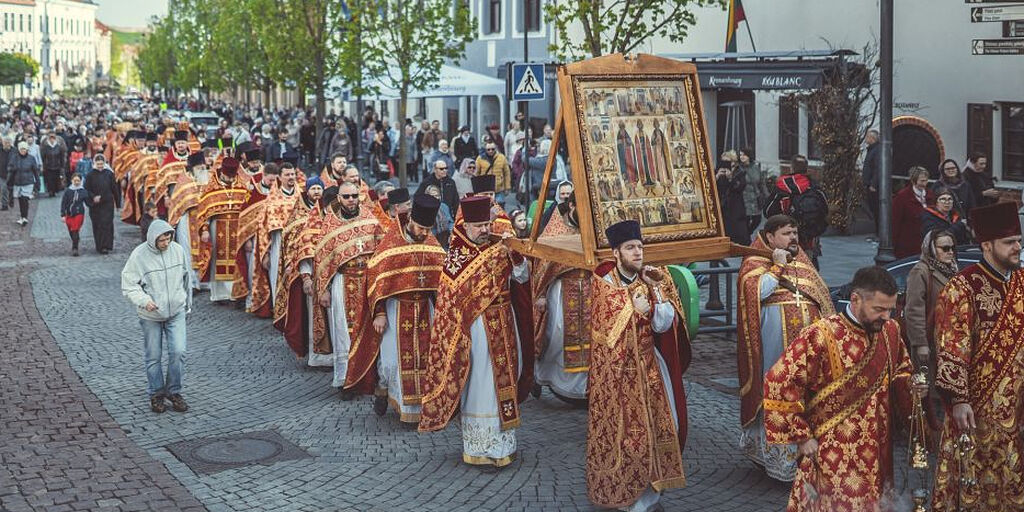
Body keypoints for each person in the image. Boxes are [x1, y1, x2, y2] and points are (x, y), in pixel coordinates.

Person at [762, 266, 924, 512]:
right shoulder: (820, 335)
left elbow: (901, 369)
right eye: (879, 309)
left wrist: (912, 387)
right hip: (830, 451)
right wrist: (802, 436)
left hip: (879, 450)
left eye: (891, 309)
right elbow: (779, 381)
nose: (887, 316)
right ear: (856, 299)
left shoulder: (890, 331)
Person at [418, 195, 534, 468]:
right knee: (480, 385)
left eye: (487, 224)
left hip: (505, 322)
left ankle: (504, 445)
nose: (485, 230)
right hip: (477, 331)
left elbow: (522, 279)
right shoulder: (457, 259)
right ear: (465, 226)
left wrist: (517, 259)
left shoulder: (501, 248)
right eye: (479, 225)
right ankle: (478, 446)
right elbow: (451, 305)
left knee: (504, 381)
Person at [586, 220, 690, 512]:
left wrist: (656, 291)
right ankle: (626, 497)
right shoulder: (604, 283)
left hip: (650, 365)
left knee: (659, 430)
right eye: (630, 248)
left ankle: (650, 498)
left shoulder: (654, 278)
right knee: (629, 437)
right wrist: (632, 310)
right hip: (617, 374)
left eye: (640, 247)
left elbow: (664, 323)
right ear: (616, 252)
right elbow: (603, 331)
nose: (638, 252)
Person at [931, 201, 1023, 512]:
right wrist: (959, 399)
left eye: (1019, 242)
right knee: (977, 482)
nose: (1017, 248)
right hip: (977, 409)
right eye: (1009, 243)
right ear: (987, 245)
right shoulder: (963, 287)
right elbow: (950, 347)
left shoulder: (1022, 283)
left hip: (1019, 407)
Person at [736, 214, 834, 482]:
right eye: (787, 233)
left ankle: (809, 457)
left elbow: (820, 295)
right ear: (770, 237)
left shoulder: (802, 260)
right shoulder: (754, 261)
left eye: (795, 232)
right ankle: (778, 459)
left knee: (807, 396)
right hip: (772, 345)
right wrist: (777, 267)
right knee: (777, 394)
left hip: (807, 347)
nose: (794, 238)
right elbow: (758, 292)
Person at [367, 194, 447, 422]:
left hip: (424, 310)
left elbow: (443, 278)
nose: (424, 233)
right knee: (392, 362)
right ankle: (382, 388)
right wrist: (380, 312)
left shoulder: (430, 243)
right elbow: (376, 277)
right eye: (421, 227)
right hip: (396, 309)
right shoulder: (392, 241)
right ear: (411, 219)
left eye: (428, 229)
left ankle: (417, 409)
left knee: (425, 359)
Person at [313, 181, 382, 399]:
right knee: (344, 334)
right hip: (344, 283)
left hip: (368, 283)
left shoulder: (371, 220)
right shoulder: (330, 224)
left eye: (354, 195)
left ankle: (371, 378)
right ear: (339, 199)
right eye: (347, 196)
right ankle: (346, 382)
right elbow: (322, 259)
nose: (351, 200)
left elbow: (382, 251)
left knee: (371, 332)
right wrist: (323, 289)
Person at [121, 219, 193, 414]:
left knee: (178, 352)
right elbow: (128, 284)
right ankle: (156, 394)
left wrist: (187, 304)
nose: (166, 243)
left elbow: (187, 278)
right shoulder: (139, 255)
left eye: (168, 238)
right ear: (153, 239)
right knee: (153, 356)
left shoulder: (177, 250)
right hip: (150, 315)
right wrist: (144, 301)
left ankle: (174, 391)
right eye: (162, 240)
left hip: (175, 311)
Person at [531, 192, 590, 403]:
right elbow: (542, 266)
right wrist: (540, 294)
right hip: (562, 289)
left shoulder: (591, 229)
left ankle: (581, 390)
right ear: (571, 205)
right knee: (556, 337)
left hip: (589, 289)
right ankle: (539, 375)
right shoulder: (555, 228)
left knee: (588, 339)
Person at [904, 229, 958, 434]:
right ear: (932, 249)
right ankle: (927, 434)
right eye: (945, 248)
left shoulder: (952, 269)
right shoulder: (922, 271)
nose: (950, 252)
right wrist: (920, 343)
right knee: (928, 390)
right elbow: (914, 309)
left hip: (950, 341)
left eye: (952, 248)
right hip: (930, 340)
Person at [274, 176, 325, 359]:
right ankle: (312, 351)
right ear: (307, 191)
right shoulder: (297, 214)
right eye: (314, 189)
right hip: (305, 266)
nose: (317, 192)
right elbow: (290, 242)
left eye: (319, 188)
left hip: (325, 268)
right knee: (308, 313)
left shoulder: (328, 212)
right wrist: (289, 262)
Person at [196, 157, 249, 302]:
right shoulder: (211, 187)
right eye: (227, 177)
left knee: (236, 260)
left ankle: (234, 292)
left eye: (233, 177)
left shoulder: (242, 186)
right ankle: (219, 295)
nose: (230, 179)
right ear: (222, 173)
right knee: (216, 260)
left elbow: (248, 209)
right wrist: (205, 229)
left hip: (236, 228)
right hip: (217, 226)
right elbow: (204, 210)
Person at [892, 166, 935, 259]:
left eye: (926, 180)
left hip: (926, 241)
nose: (924, 184)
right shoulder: (902, 197)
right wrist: (894, 244)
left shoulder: (930, 195)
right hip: (907, 244)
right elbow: (895, 222)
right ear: (913, 181)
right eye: (921, 181)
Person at [83, 154, 120, 254]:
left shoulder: (109, 174)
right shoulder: (90, 175)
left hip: (107, 203)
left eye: (101, 164)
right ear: (95, 163)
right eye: (98, 164)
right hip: (96, 205)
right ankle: (99, 245)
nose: (100, 166)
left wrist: (118, 203)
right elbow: (86, 189)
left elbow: (115, 189)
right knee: (97, 224)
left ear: (104, 163)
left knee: (107, 224)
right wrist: (93, 197)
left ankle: (107, 245)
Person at [716, 158, 750, 244]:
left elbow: (740, 187)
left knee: (738, 225)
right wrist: (716, 177)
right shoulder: (718, 171)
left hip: (736, 203)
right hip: (723, 203)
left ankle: (741, 243)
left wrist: (731, 178)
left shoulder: (740, 172)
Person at [8, 141, 40, 226]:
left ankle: (25, 217)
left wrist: (38, 183)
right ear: (19, 150)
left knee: (25, 199)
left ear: (27, 149)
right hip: (17, 182)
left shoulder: (31, 158)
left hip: (28, 182)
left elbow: (35, 171)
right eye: (21, 149)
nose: (23, 151)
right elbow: (10, 169)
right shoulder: (14, 158)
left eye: (24, 149)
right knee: (20, 199)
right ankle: (22, 216)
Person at [737, 147, 767, 235]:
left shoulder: (756, 167)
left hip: (755, 198)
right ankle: (745, 238)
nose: (742, 157)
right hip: (743, 198)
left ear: (749, 156)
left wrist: (766, 195)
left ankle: (747, 234)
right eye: (741, 155)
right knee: (745, 220)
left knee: (757, 219)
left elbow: (762, 183)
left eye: (744, 155)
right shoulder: (738, 168)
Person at [60, 173, 89, 257]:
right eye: (75, 180)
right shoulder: (68, 191)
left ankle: (75, 248)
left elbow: (88, 201)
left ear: (81, 181)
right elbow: (63, 203)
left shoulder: (83, 191)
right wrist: (62, 214)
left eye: (78, 181)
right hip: (69, 214)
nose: (76, 182)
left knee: (75, 229)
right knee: (71, 231)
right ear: (72, 181)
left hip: (79, 213)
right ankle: (75, 240)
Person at [861, 129, 881, 231]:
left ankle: (879, 233)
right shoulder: (872, 150)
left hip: (874, 187)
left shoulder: (876, 151)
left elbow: (877, 168)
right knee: (873, 209)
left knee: (877, 209)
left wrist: (873, 184)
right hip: (869, 184)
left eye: (868, 137)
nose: (866, 139)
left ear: (872, 138)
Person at [423, 184, 453, 249]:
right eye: (432, 196)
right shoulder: (424, 209)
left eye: (437, 195)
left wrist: (451, 232)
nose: (436, 198)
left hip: (445, 239)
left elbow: (450, 221)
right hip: (431, 241)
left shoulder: (444, 206)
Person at [41, 131, 68, 197]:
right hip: (48, 166)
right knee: (49, 180)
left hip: (57, 165)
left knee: (56, 179)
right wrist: (43, 165)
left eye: (53, 138)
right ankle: (51, 191)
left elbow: (62, 156)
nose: (52, 139)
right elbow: (43, 156)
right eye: (50, 138)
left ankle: (56, 190)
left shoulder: (59, 147)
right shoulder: (46, 147)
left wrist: (62, 165)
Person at [0, 136, 14, 211]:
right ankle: (4, 205)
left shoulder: (14, 151)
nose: (6, 144)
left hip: (12, 174)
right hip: (2, 173)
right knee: (3, 189)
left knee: (11, 189)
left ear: (11, 143)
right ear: (2, 143)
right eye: (5, 143)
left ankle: (11, 200)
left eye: (8, 143)